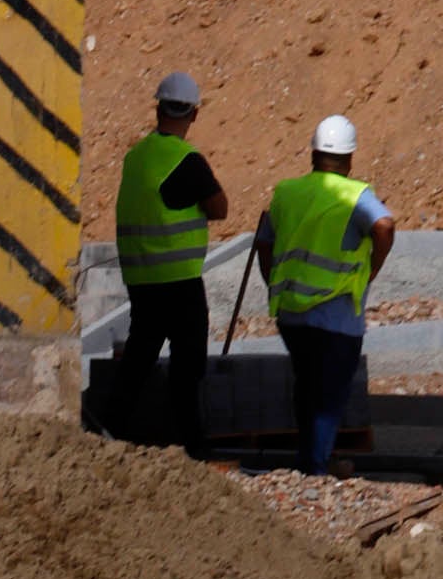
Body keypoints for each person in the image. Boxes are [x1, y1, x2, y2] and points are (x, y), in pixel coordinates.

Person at [255, 115, 395, 476]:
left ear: (313, 153)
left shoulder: (286, 192)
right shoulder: (355, 195)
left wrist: (273, 281)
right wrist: (373, 268)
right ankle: (315, 467)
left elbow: (264, 242)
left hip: (292, 313)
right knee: (330, 393)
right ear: (350, 158)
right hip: (337, 314)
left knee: (307, 386)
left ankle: (313, 459)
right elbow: (384, 225)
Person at [112, 70, 226, 456]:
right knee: (187, 367)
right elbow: (219, 208)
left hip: (141, 278)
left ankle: (112, 431)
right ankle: (192, 446)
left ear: (158, 109)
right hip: (179, 280)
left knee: (138, 358)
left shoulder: (134, 157)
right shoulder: (186, 160)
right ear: (194, 113)